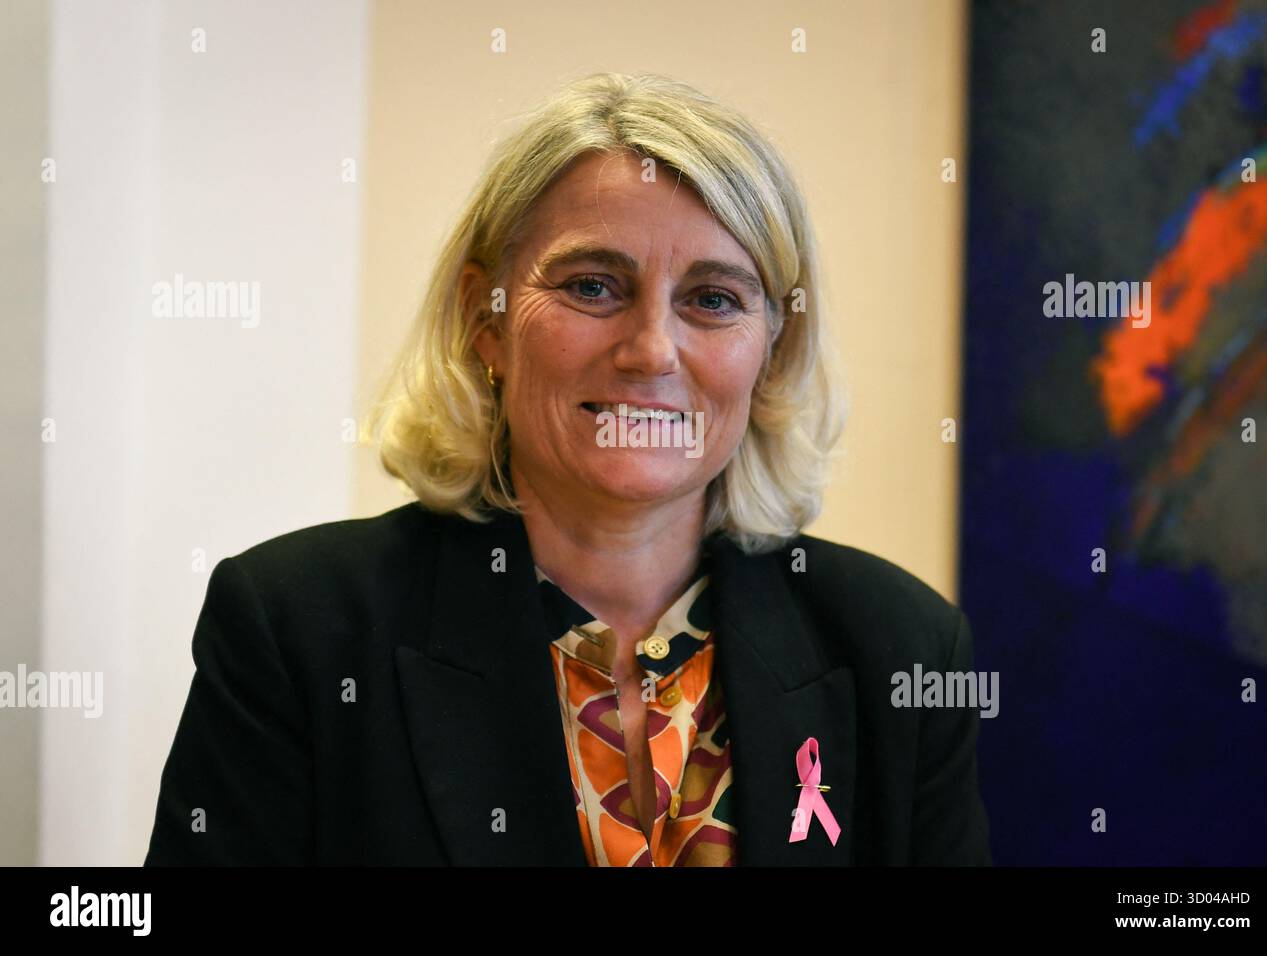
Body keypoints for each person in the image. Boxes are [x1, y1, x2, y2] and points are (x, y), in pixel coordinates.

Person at [144, 71, 992, 866]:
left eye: (714, 299)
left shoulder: (903, 649)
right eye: (593, 286)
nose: (652, 350)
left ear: (773, 351)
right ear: (486, 321)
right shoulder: (297, 629)